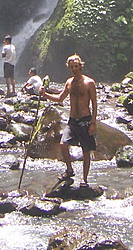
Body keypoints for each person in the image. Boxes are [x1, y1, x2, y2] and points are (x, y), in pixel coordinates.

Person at [40, 54, 98, 187]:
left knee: (86, 150)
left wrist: (93, 123)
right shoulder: (69, 82)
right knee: (63, 144)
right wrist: (45, 94)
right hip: (72, 120)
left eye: (76, 66)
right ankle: (69, 170)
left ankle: (84, 179)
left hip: (85, 120)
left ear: (80, 66)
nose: (74, 69)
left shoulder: (89, 83)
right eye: (71, 67)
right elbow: (60, 98)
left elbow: (94, 103)